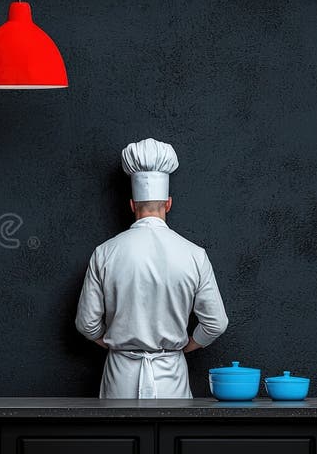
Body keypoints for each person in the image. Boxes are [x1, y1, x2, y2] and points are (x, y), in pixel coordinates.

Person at [75, 138, 229, 399]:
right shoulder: (194, 255)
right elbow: (216, 324)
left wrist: (116, 345)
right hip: (172, 378)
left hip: (119, 378)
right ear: (168, 203)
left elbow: (86, 324)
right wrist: (184, 347)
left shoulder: (105, 252)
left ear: (132, 205)